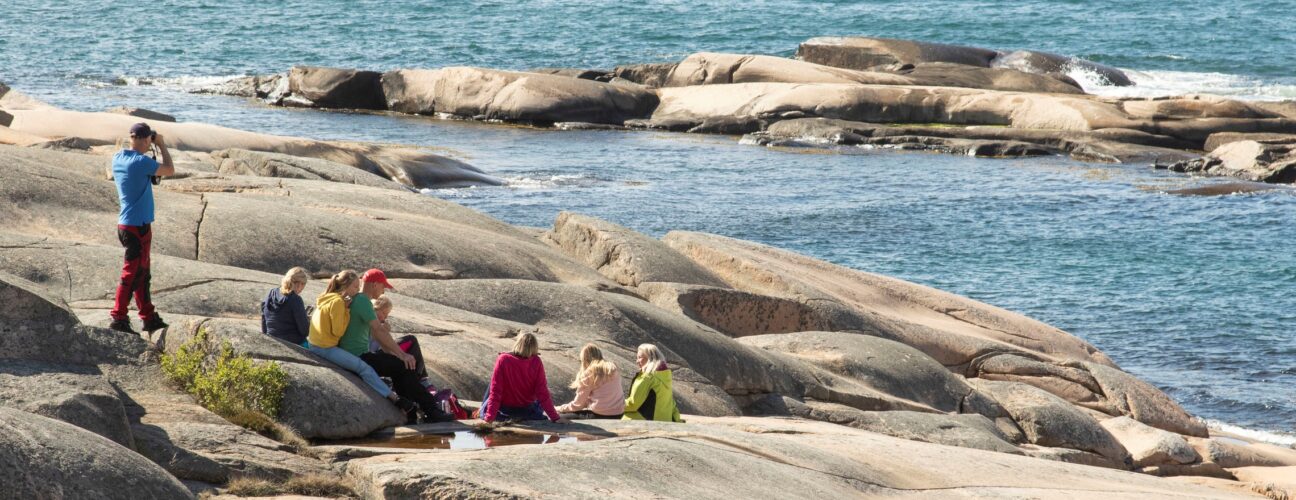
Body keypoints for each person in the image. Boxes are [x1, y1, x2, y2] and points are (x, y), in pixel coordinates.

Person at [338, 269, 453, 423]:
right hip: (359, 356)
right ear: (375, 284)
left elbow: (377, 333)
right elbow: (378, 331)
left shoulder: (358, 300)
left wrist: (396, 354)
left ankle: (412, 412)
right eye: (383, 286)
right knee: (404, 366)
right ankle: (431, 410)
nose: (384, 290)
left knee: (400, 367)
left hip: (357, 355)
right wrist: (402, 354)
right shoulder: (364, 301)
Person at [306, 270, 419, 419]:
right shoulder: (339, 303)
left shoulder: (326, 297)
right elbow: (338, 332)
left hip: (315, 343)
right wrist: (346, 311)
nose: (357, 291)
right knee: (364, 368)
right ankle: (396, 399)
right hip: (325, 348)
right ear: (345, 286)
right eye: (354, 287)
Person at [108, 122, 174, 334]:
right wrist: (162, 145)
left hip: (127, 225)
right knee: (132, 274)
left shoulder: (118, 158)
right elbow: (170, 169)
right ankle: (118, 318)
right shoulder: (140, 161)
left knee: (142, 274)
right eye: (149, 142)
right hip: (138, 227)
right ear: (146, 140)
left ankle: (148, 316)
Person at [481, 332, 562, 423]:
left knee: (493, 384)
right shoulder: (536, 361)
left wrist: (489, 418)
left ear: (517, 344)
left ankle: (483, 412)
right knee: (541, 394)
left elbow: (496, 391)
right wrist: (555, 417)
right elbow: (542, 392)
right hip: (527, 410)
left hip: (505, 409)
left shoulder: (503, 359)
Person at [556, 344, 624, 419]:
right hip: (618, 414)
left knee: (557, 417)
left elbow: (577, 405)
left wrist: (559, 408)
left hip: (599, 415)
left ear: (584, 360)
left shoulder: (589, 372)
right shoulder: (612, 368)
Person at [622, 344, 682, 422]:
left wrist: (615, 405)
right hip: (665, 420)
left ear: (650, 358)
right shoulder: (664, 376)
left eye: (640, 357)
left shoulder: (647, 377)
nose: (637, 361)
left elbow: (633, 404)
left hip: (645, 422)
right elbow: (671, 404)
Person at [262, 267, 310, 346]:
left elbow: (264, 318)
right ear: (299, 284)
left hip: (271, 338)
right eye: (303, 284)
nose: (302, 288)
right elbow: (304, 331)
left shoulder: (271, 293)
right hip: (293, 342)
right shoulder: (295, 299)